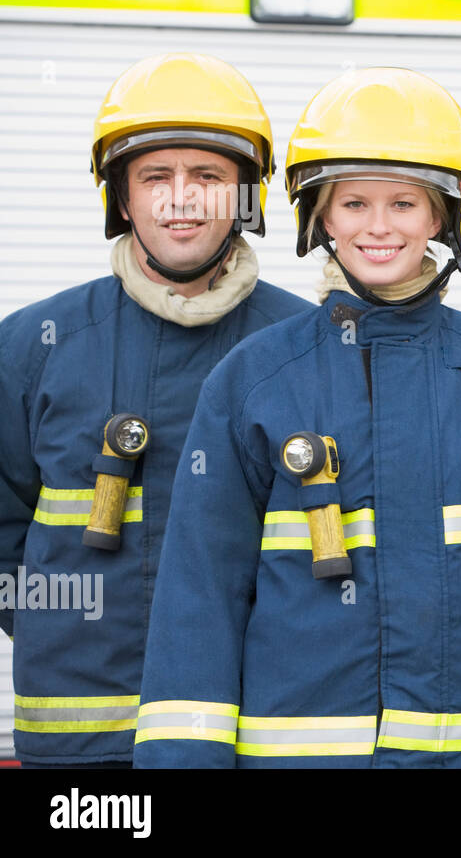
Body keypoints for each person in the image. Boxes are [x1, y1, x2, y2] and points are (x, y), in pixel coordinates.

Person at [133, 67, 461, 768]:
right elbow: (199, 602)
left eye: (404, 204)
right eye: (353, 203)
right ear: (320, 217)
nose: (378, 227)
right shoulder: (252, 383)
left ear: (441, 217)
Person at [0, 53, 310, 767]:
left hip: (255, 733)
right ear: (121, 198)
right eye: (154, 178)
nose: (181, 199)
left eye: (207, 177)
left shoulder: (309, 348)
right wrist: (62, 631)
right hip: (85, 746)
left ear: (245, 197)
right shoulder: (33, 346)